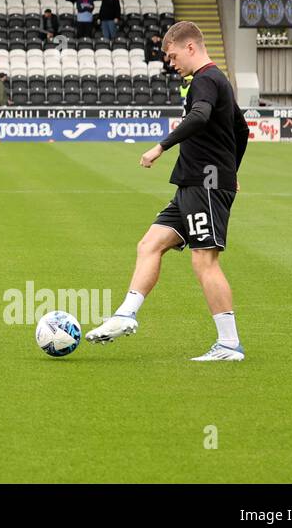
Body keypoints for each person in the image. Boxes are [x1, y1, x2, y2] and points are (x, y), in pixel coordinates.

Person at [85, 21, 250, 362]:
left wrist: (161, 147)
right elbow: (242, 129)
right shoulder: (218, 80)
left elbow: (201, 116)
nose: (171, 63)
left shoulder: (205, 79)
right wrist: (232, 170)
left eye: (173, 56)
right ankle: (125, 314)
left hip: (204, 183)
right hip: (195, 182)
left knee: (204, 260)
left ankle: (229, 344)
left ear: (191, 47)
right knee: (150, 244)